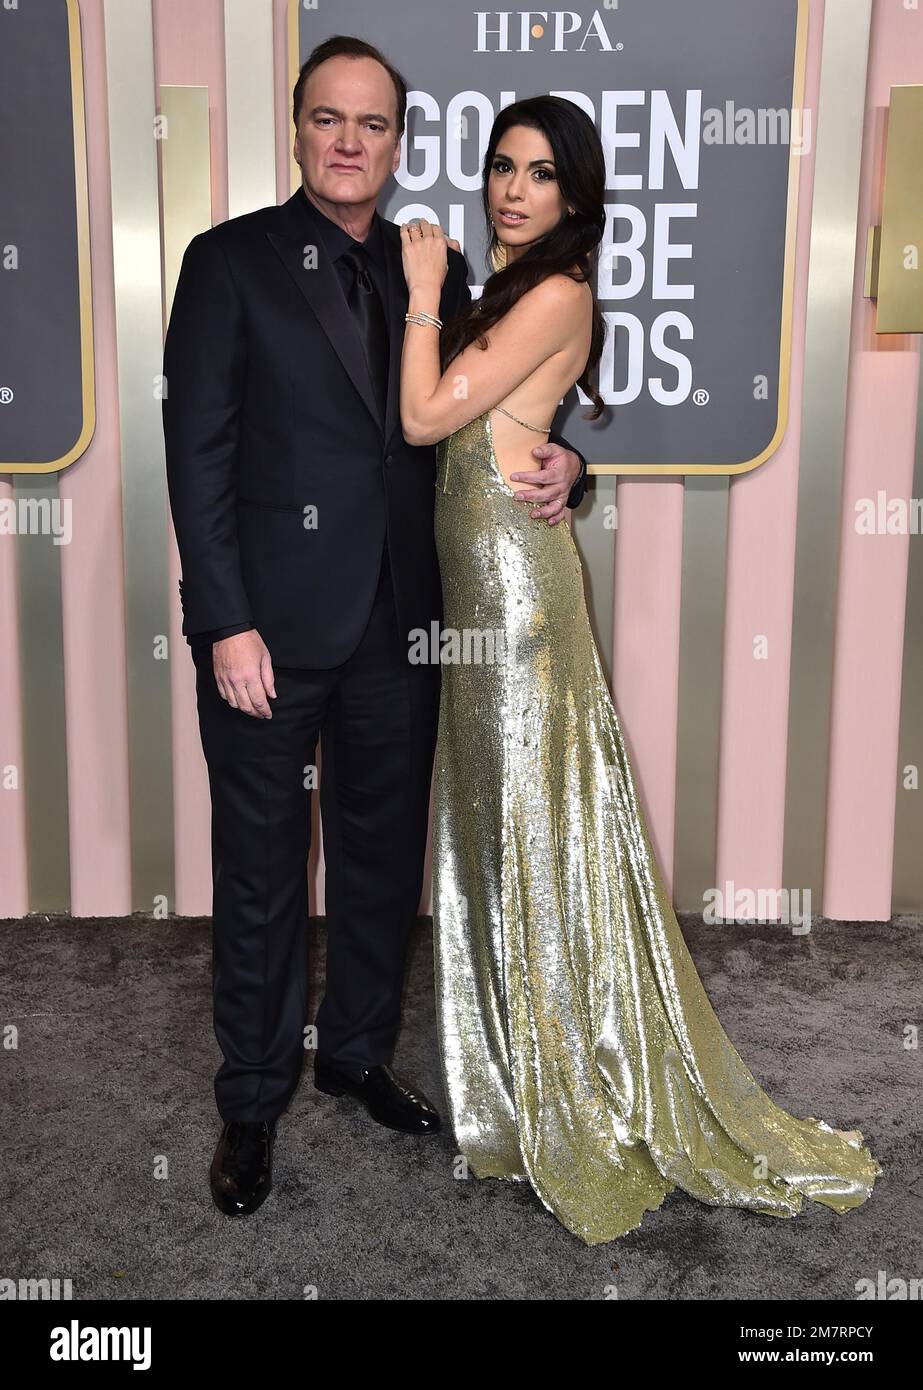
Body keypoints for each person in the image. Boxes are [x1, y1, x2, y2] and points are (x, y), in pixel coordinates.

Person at [398, 94, 882, 1245]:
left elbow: (424, 417)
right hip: (487, 585)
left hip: (516, 596)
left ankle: (579, 1081)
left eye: (539, 175)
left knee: (535, 823)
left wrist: (422, 297)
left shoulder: (555, 291)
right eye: (501, 168)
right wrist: (568, 456)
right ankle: (525, 1078)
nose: (512, 191)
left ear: (573, 196)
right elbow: (497, 426)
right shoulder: (515, 290)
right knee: (497, 825)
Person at [162, 37, 587, 1217]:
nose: (350, 142)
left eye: (374, 124)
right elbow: (194, 459)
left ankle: (352, 1052)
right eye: (327, 120)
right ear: (297, 130)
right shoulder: (227, 262)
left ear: (399, 141)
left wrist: (568, 462)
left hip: (405, 626)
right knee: (257, 874)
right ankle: (250, 1100)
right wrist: (225, 622)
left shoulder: (437, 271)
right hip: (270, 633)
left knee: (379, 861)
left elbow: (488, 412)